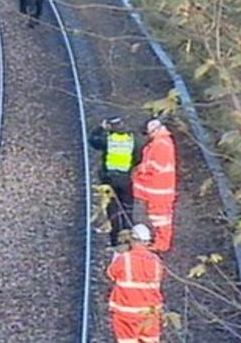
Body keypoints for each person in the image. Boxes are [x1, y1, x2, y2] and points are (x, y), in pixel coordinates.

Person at [107, 224, 165, 343]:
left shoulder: (124, 259)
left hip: (126, 313)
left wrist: (117, 254)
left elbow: (111, 274)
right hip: (150, 313)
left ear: (133, 240)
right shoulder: (156, 261)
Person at [89, 116, 136, 246]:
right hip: (126, 179)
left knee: (113, 209)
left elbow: (93, 140)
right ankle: (130, 239)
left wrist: (100, 128)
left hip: (109, 180)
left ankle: (116, 241)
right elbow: (138, 157)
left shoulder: (108, 139)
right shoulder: (131, 139)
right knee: (127, 209)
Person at [132, 119, 177, 252]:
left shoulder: (161, 144)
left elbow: (155, 166)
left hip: (158, 190)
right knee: (158, 217)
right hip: (158, 189)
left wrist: (140, 169)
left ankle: (162, 244)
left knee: (160, 218)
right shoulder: (161, 142)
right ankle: (161, 240)